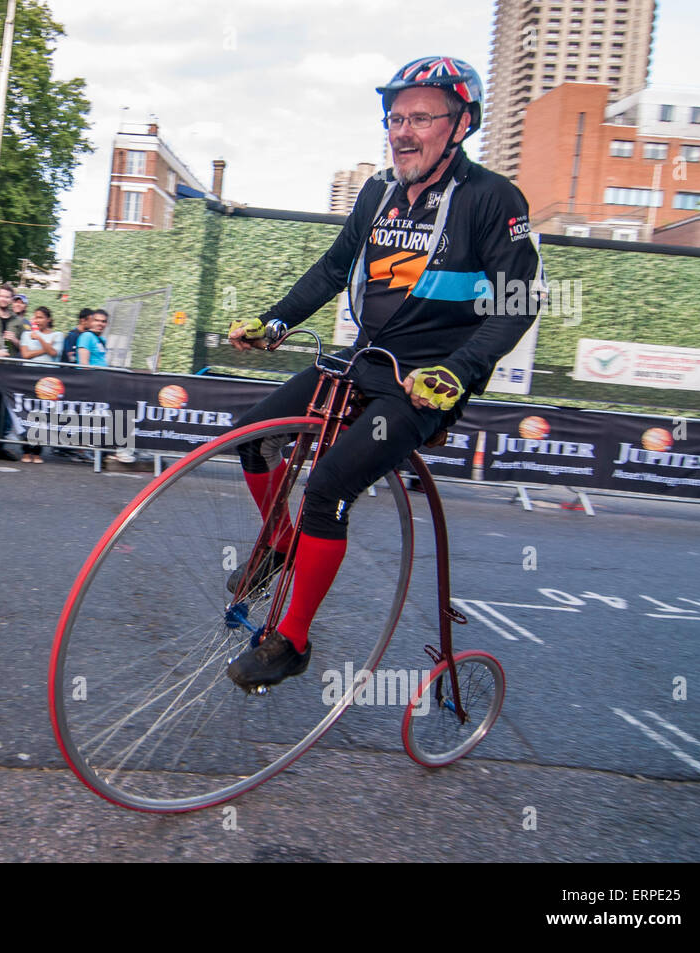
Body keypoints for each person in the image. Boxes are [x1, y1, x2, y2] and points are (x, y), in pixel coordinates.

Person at [223, 56, 541, 691]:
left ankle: (292, 640)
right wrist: (276, 322)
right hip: (365, 362)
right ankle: (279, 545)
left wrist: (460, 371)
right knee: (250, 434)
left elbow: (518, 303)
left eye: (420, 117)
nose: (401, 131)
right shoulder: (378, 190)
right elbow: (334, 266)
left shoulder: (493, 200)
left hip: (426, 385)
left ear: (461, 124)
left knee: (328, 486)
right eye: (394, 118)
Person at [18, 306, 63, 463]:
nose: (37, 320)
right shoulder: (26, 334)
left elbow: (54, 353)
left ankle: (37, 452)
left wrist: (41, 339)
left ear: (48, 319)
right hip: (29, 376)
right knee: (27, 414)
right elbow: (25, 354)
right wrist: (44, 348)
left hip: (48, 381)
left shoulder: (58, 335)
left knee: (43, 417)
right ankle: (25, 450)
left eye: (41, 317)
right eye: (36, 317)